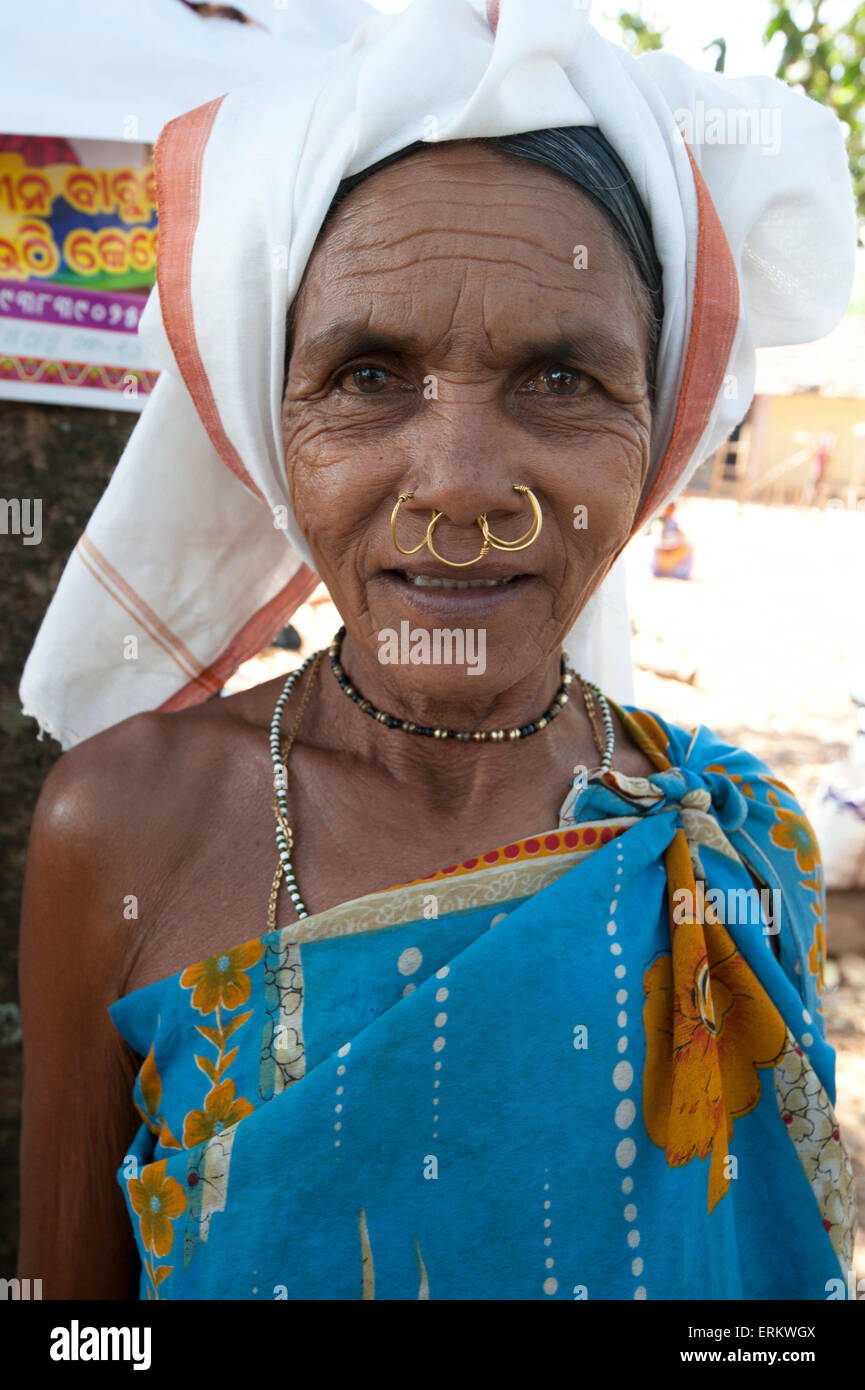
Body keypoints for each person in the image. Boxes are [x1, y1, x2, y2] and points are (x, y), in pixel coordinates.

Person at [16, 0, 857, 1300]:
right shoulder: (124, 827)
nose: (459, 485)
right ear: (265, 416)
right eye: (366, 376)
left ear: (659, 427)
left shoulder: (734, 843)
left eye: (561, 378)